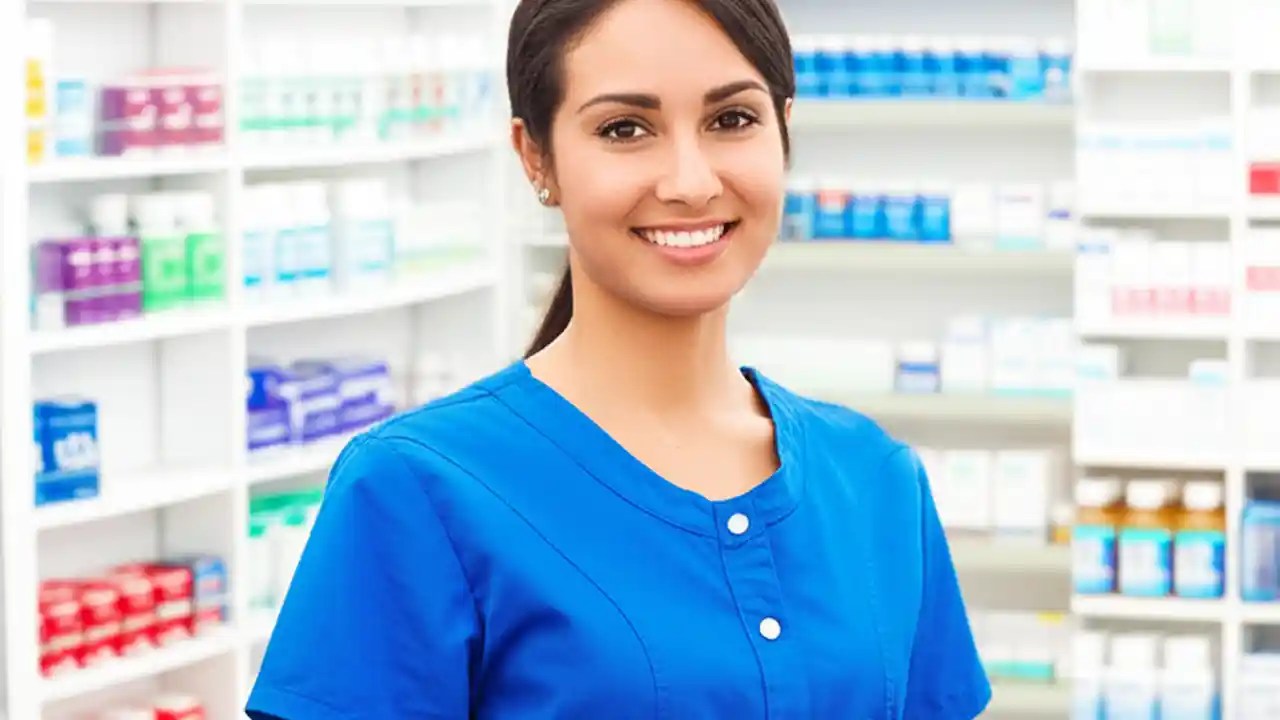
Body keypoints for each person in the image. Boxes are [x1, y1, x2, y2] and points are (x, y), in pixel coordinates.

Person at [245, 0, 992, 717]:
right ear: (536, 158)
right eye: (626, 129)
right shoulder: (419, 488)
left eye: (732, 119)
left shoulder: (873, 479)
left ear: (784, 131)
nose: (691, 182)